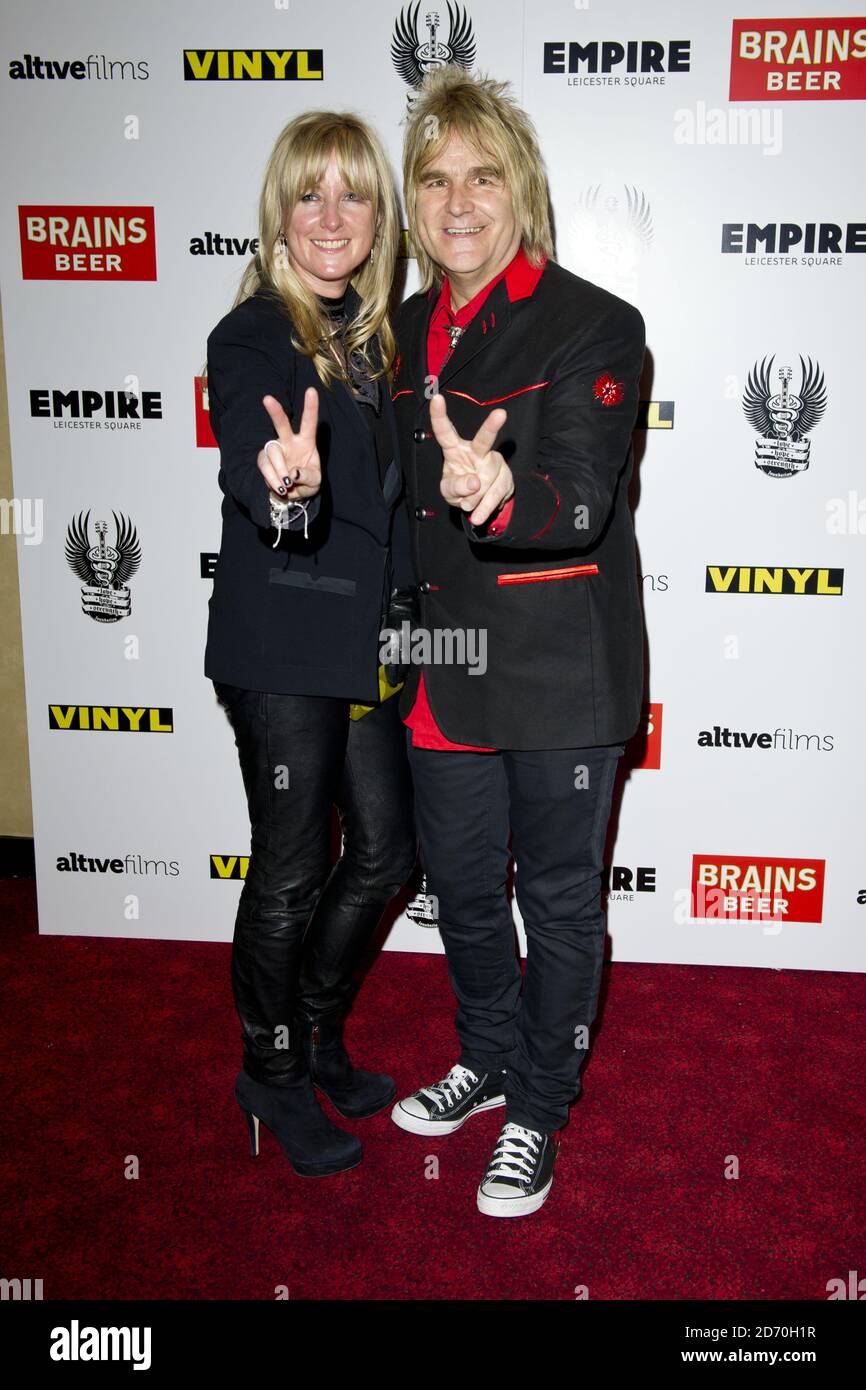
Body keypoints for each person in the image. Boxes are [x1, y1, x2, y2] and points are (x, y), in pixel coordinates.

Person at [389, 68, 647, 1217]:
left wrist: (500, 493)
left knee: (556, 897)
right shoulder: (396, 328)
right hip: (444, 666)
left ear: (519, 188)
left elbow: (582, 499)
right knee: (457, 884)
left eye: (481, 176)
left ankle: (538, 1105)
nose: (457, 203)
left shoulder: (595, 321)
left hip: (556, 669)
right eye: (434, 178)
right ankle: (486, 1056)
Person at [204, 111, 416, 1178]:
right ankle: (269, 1066)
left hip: (366, 644)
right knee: (292, 867)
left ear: (379, 215)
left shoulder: (380, 340)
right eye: (308, 192)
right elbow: (257, 459)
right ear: (278, 212)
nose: (331, 215)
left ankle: (320, 1030)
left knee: (386, 850)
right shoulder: (253, 334)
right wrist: (286, 487)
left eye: (353, 193)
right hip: (282, 641)